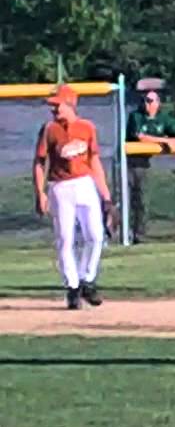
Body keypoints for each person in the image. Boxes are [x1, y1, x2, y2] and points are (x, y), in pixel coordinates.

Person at [32, 85, 114, 310]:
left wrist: (105, 195)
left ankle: (87, 280)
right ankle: (73, 287)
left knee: (96, 236)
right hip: (60, 186)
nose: (54, 109)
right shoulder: (49, 129)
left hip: (85, 183)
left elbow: (94, 161)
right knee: (65, 239)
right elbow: (39, 162)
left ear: (70, 104)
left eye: (57, 105)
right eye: (53, 105)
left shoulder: (87, 127)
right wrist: (40, 192)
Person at [125, 89, 175, 243]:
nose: (148, 104)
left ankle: (139, 234)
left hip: (143, 164)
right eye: (145, 100)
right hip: (128, 163)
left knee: (141, 199)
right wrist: (165, 141)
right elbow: (140, 137)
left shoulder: (163, 118)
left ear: (158, 103)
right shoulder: (136, 116)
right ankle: (121, 233)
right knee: (126, 199)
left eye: (151, 101)